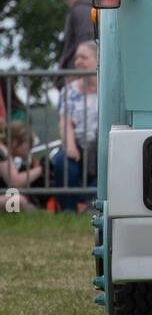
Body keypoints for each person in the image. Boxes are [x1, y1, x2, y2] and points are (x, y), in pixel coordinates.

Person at [51, 40, 98, 211]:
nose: (78, 61)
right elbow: (65, 121)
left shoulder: (109, 88)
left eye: (84, 57)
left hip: (101, 145)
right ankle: (68, 211)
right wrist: (70, 146)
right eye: (77, 57)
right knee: (62, 161)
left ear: (97, 60)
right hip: (77, 142)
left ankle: (93, 207)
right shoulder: (69, 91)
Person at [57, 0, 93, 73]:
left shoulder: (81, 10)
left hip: (78, 79)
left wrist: (76, 78)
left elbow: (86, 46)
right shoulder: (78, 9)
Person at [0, 121, 43, 211]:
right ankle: (40, 215)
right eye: (28, 143)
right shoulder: (2, 151)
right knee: (19, 200)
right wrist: (41, 169)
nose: (30, 147)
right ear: (15, 142)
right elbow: (15, 182)